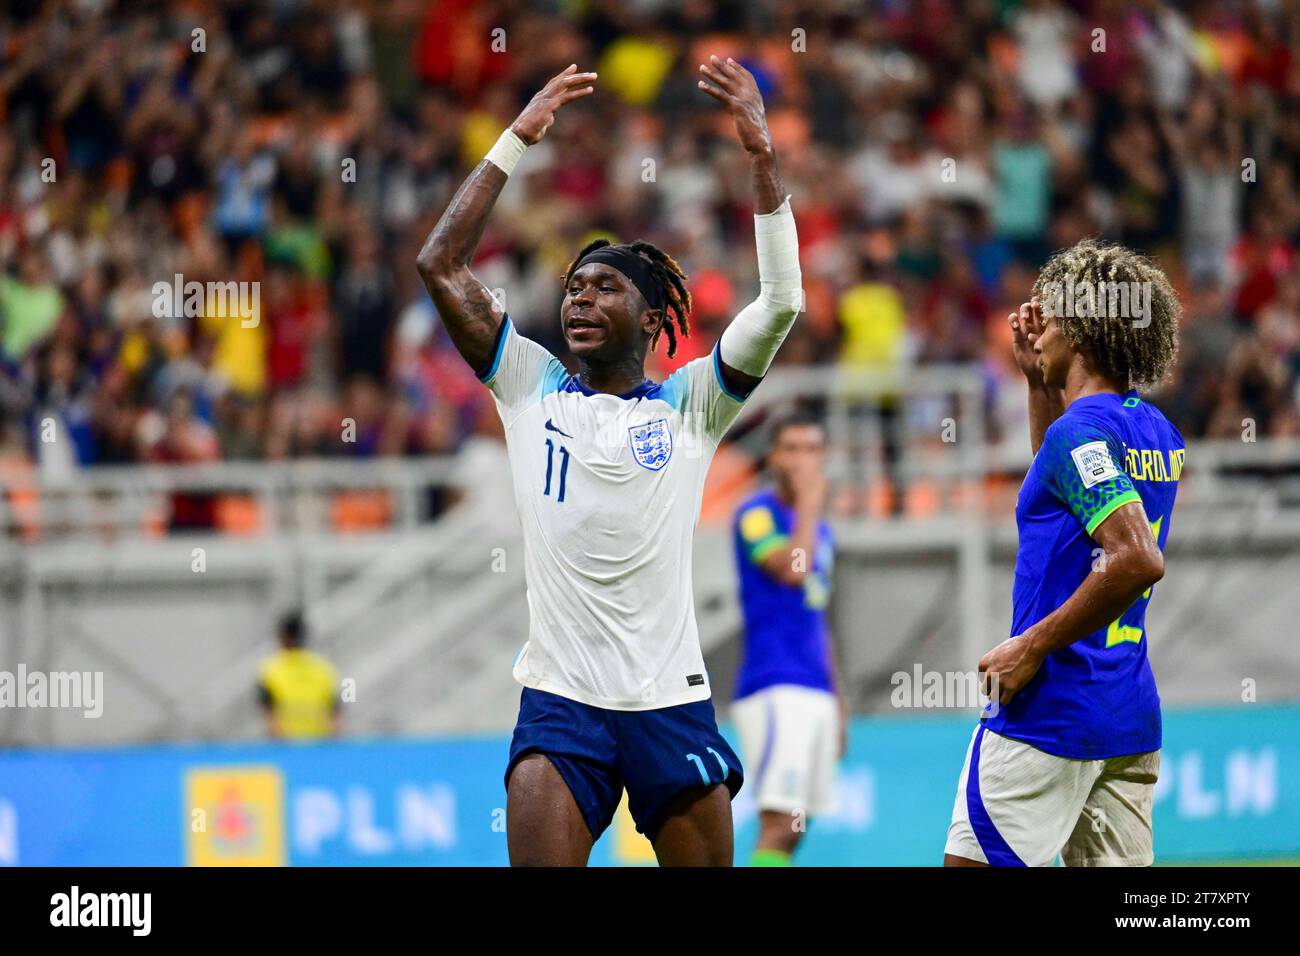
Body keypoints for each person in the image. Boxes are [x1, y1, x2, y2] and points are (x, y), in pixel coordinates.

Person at [416, 59, 802, 866]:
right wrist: (517, 140)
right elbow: (439, 265)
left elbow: (781, 304)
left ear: (655, 316)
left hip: (670, 702)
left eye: (604, 288)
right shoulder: (528, 385)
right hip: (562, 704)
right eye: (573, 287)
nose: (580, 299)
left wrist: (762, 160)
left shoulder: (693, 404)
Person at [944, 240, 1183, 867]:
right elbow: (1061, 500)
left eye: (1048, 319)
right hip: (1127, 719)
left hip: (1050, 713)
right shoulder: (1156, 432)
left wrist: (1031, 646)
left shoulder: (1080, 432)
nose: (1036, 331)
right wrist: (1036, 384)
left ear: (1080, 331)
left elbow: (1136, 559)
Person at [730, 411, 845, 866]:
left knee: (798, 825)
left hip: (815, 686)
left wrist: (838, 702)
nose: (803, 460)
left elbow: (817, 615)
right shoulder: (756, 515)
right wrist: (811, 504)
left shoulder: (821, 531)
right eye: (792, 448)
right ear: (773, 456)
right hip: (776, 685)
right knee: (779, 821)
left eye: (813, 449)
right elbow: (795, 572)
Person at [256, 612, 341, 740]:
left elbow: (268, 713)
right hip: (319, 744)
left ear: (282, 637)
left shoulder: (269, 670)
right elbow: (337, 710)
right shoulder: (324, 668)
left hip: (285, 746)